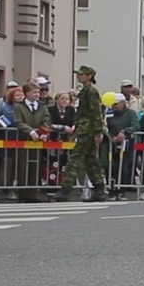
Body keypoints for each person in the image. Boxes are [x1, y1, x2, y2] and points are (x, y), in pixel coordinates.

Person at [50, 66, 107, 202]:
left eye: (82, 75)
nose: (79, 76)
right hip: (84, 129)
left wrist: (98, 132)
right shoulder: (85, 91)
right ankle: (99, 190)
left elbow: (96, 113)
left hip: (88, 130)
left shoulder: (91, 92)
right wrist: (76, 131)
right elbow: (80, 114)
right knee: (91, 161)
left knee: (75, 159)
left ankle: (65, 190)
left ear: (89, 76)